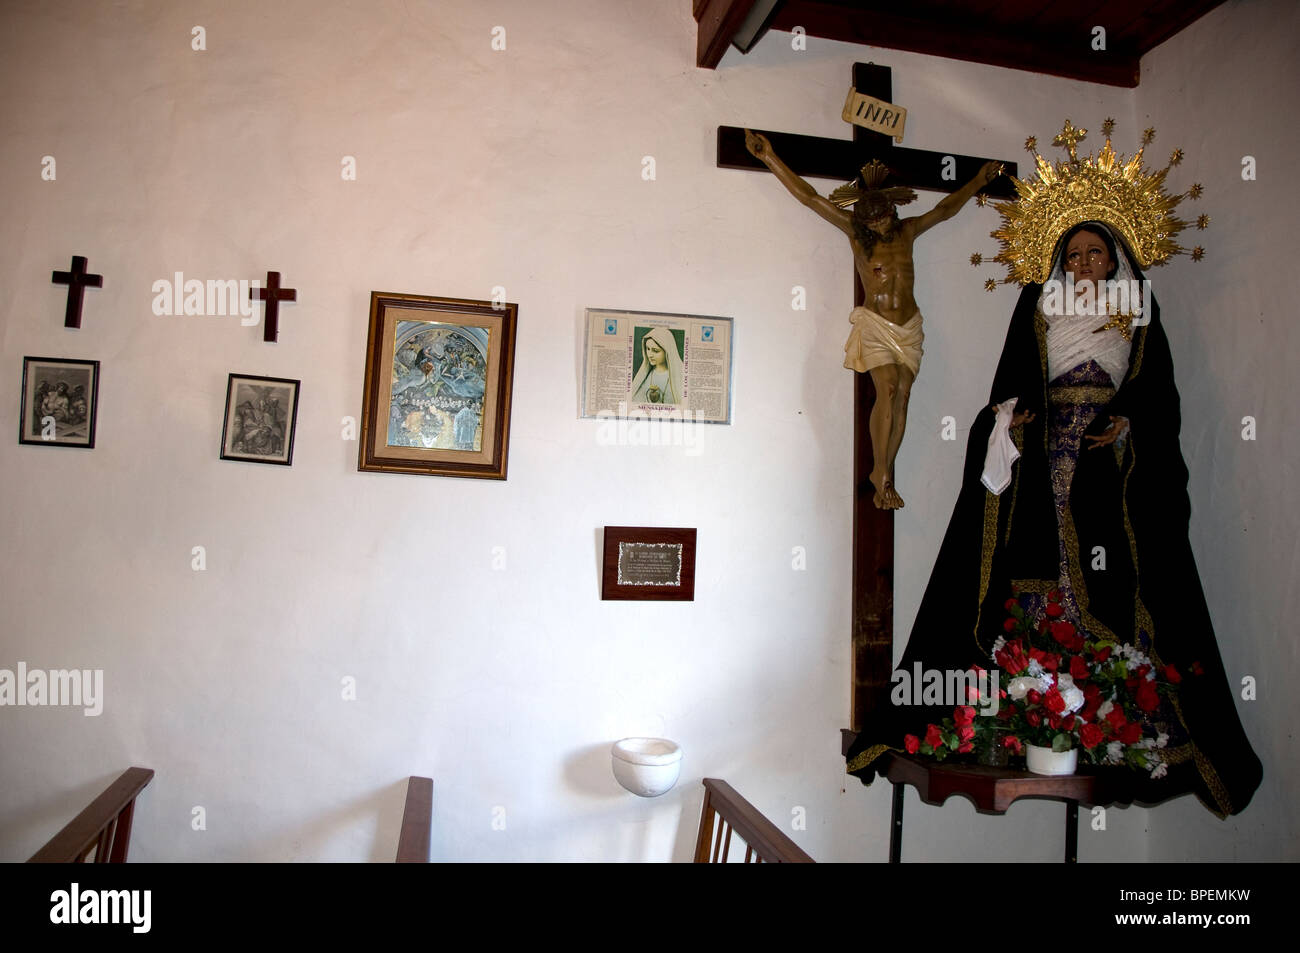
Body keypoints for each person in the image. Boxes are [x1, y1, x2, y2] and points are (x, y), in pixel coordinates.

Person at [845, 219, 1262, 817]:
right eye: (1074, 254)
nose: (1085, 262)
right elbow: (1012, 382)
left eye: (1096, 253)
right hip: (1046, 461)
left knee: (1113, 579)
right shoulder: (1039, 304)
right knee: (1040, 575)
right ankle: (1027, 706)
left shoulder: (1135, 307)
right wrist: (1009, 417)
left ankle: (1116, 717)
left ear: (1116, 259)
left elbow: (1156, 395)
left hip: (1106, 469)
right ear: (1060, 262)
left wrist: (1129, 421)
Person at [745, 129, 1002, 509]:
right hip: (877, 325)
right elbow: (809, 197)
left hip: (909, 326)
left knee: (904, 396)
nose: (881, 227)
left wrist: (978, 181)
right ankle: (881, 473)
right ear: (864, 220)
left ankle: (885, 469)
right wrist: (769, 157)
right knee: (891, 389)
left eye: (885, 220)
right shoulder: (854, 232)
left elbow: (945, 211)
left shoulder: (908, 231)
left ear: (892, 213)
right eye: (874, 223)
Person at [630, 327, 684, 406]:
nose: (650, 355)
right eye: (648, 349)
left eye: (655, 351)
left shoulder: (678, 377)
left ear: (667, 351)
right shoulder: (646, 375)